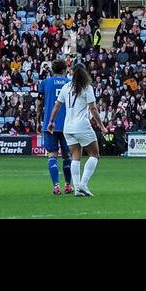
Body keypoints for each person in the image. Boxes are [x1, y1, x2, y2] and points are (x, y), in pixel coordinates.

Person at [47, 62, 105, 197]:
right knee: (94, 154)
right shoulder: (87, 87)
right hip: (81, 126)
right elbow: (93, 108)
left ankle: (77, 188)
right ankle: (83, 184)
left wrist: (51, 122)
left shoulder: (66, 87)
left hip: (68, 127)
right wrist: (101, 125)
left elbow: (57, 106)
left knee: (75, 157)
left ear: (72, 72)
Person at [40, 59, 73, 195]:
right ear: (65, 69)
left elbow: (39, 102)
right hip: (66, 124)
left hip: (50, 123)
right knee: (67, 156)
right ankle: (67, 185)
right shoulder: (69, 83)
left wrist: (38, 120)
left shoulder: (45, 82)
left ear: (52, 70)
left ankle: (56, 186)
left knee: (52, 154)